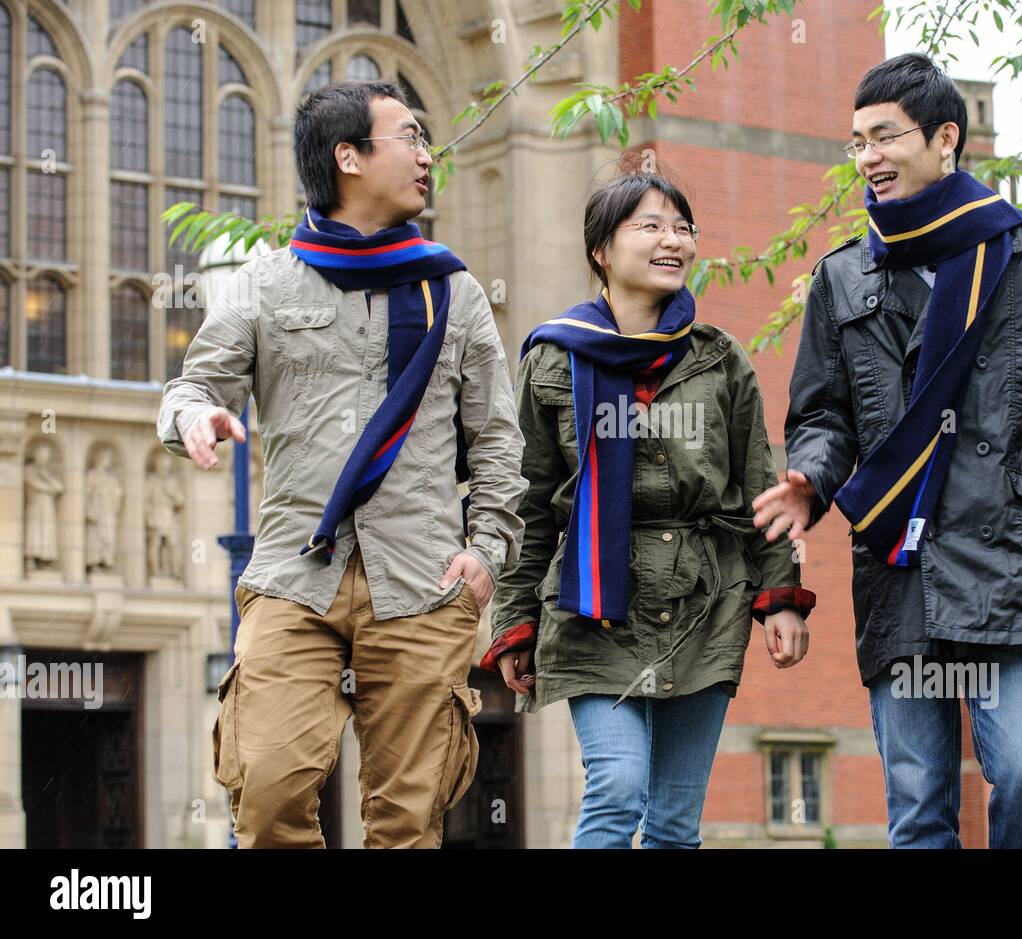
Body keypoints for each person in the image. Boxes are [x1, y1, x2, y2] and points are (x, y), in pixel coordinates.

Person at [754, 53, 1022, 848]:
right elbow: (822, 414)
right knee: (921, 809)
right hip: (899, 571)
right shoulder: (841, 276)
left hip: (1007, 569)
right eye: (857, 141)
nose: (867, 158)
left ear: (945, 139)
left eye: (885, 137)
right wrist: (811, 480)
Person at [157, 80, 526, 848]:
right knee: (265, 786)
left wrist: (487, 553)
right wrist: (195, 416)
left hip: (424, 581)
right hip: (296, 575)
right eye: (410, 138)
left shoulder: (453, 291)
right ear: (348, 156)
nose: (428, 156)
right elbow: (192, 385)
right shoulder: (265, 281)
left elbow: (497, 441)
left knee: (407, 822)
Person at [481, 159, 815, 848]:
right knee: (618, 786)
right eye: (652, 226)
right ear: (601, 250)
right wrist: (513, 620)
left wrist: (780, 594)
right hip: (596, 605)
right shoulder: (553, 360)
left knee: (671, 822)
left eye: (684, 227)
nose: (675, 241)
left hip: (706, 599)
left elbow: (761, 487)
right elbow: (533, 503)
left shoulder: (720, 360)